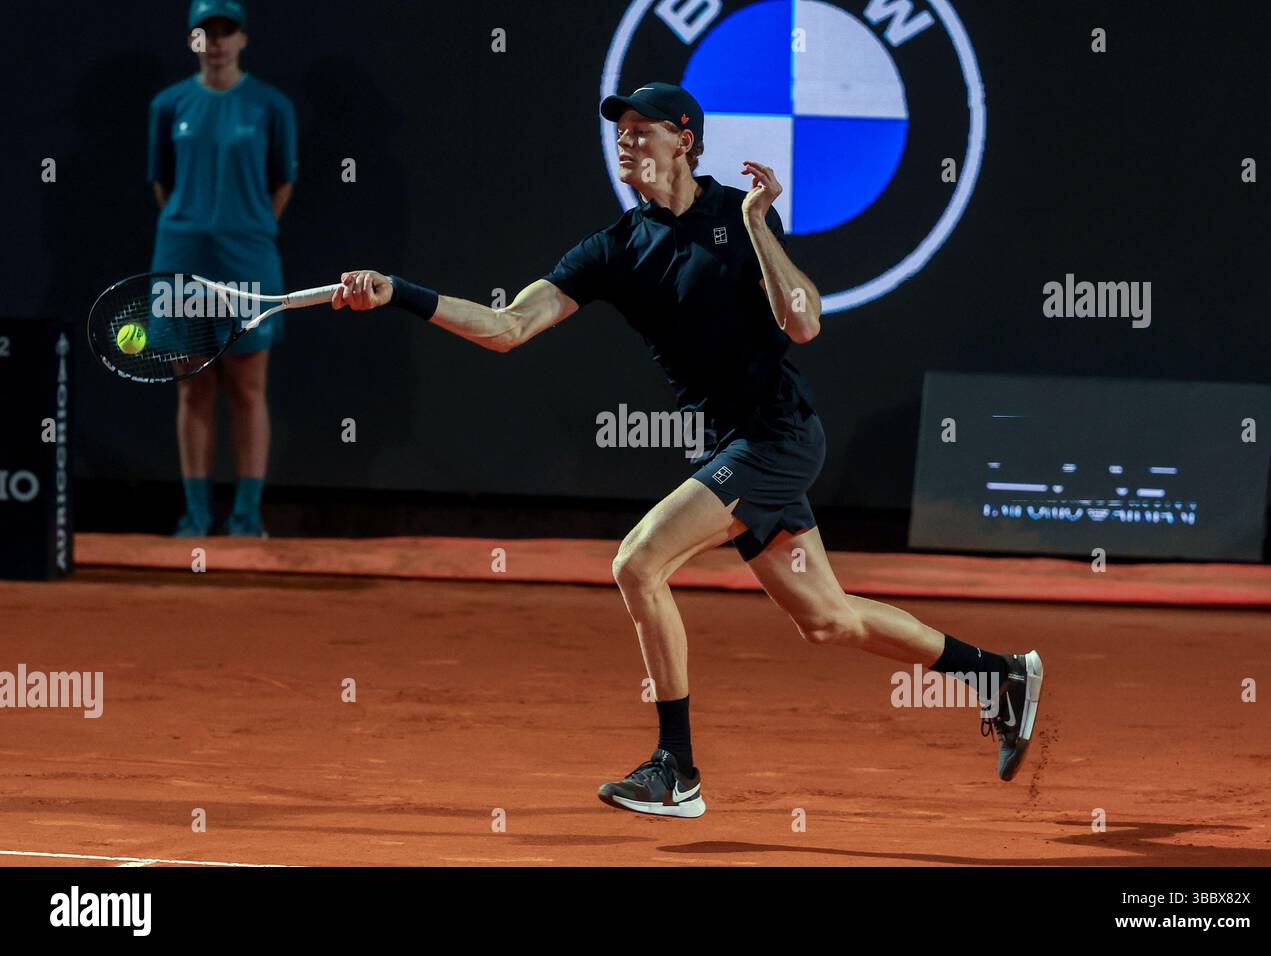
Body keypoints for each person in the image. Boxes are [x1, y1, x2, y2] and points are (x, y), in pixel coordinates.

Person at [332, 82, 1045, 817]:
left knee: (637, 562)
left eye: (643, 129)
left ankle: (677, 770)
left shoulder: (737, 216)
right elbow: (507, 326)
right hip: (737, 447)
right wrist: (397, 293)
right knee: (828, 619)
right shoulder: (612, 249)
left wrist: (759, 226)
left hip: (776, 436)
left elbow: (804, 326)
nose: (627, 141)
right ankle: (996, 675)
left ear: (686, 140)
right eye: (620, 131)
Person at [147, 0, 297, 537]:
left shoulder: (270, 106)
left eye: (225, 30)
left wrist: (244, 227)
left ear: (242, 38)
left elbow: (283, 182)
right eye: (204, 31)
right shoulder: (168, 105)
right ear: (192, 40)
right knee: (192, 387)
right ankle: (196, 516)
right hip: (182, 258)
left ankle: (247, 517)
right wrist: (195, 226)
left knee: (249, 388)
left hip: (247, 258)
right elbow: (162, 181)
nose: (215, 40)